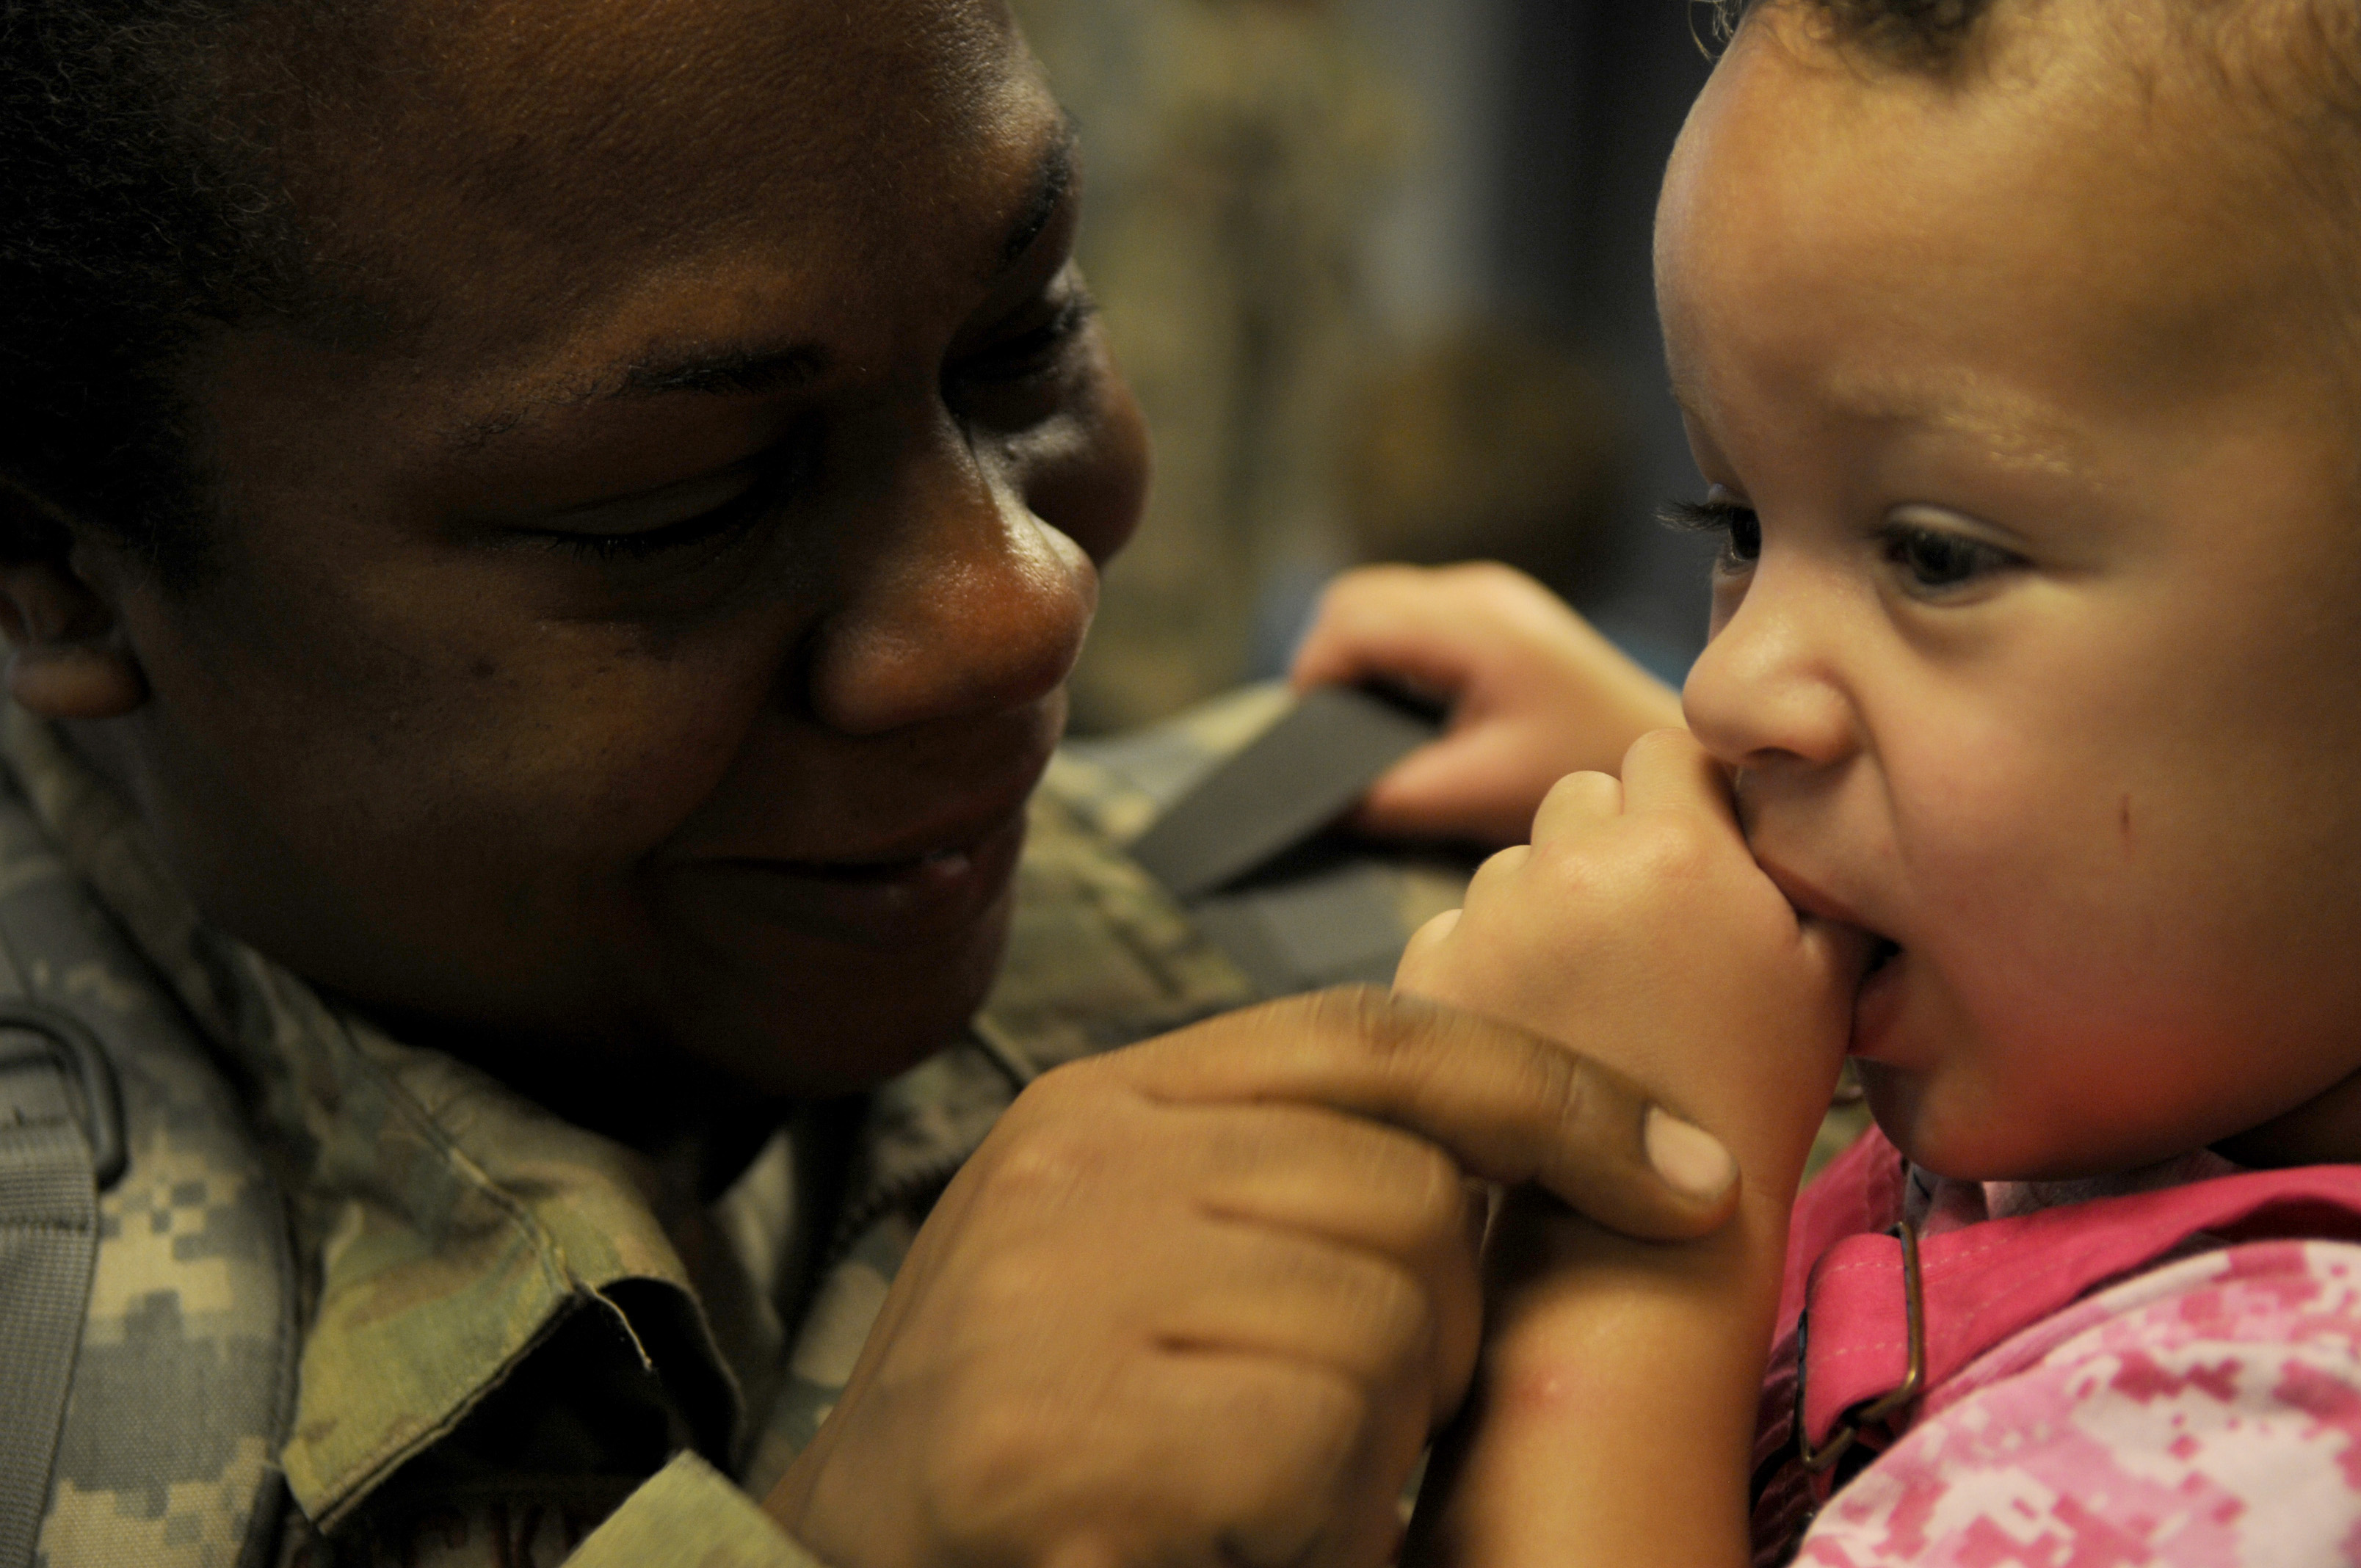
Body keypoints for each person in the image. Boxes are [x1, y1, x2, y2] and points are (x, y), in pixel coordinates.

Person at [0, 2, 1755, 1565]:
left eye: (1027, 332)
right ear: (52, 573)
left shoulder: (1495, 936)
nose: (1020, 606)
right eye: (680, 504)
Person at [1291, 0, 2361, 1561]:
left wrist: (1626, 1247)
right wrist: (1642, 757)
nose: (1723, 692)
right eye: (1738, 526)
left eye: (1935, 556)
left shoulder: (2280, 1444)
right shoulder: (2173, 1037)